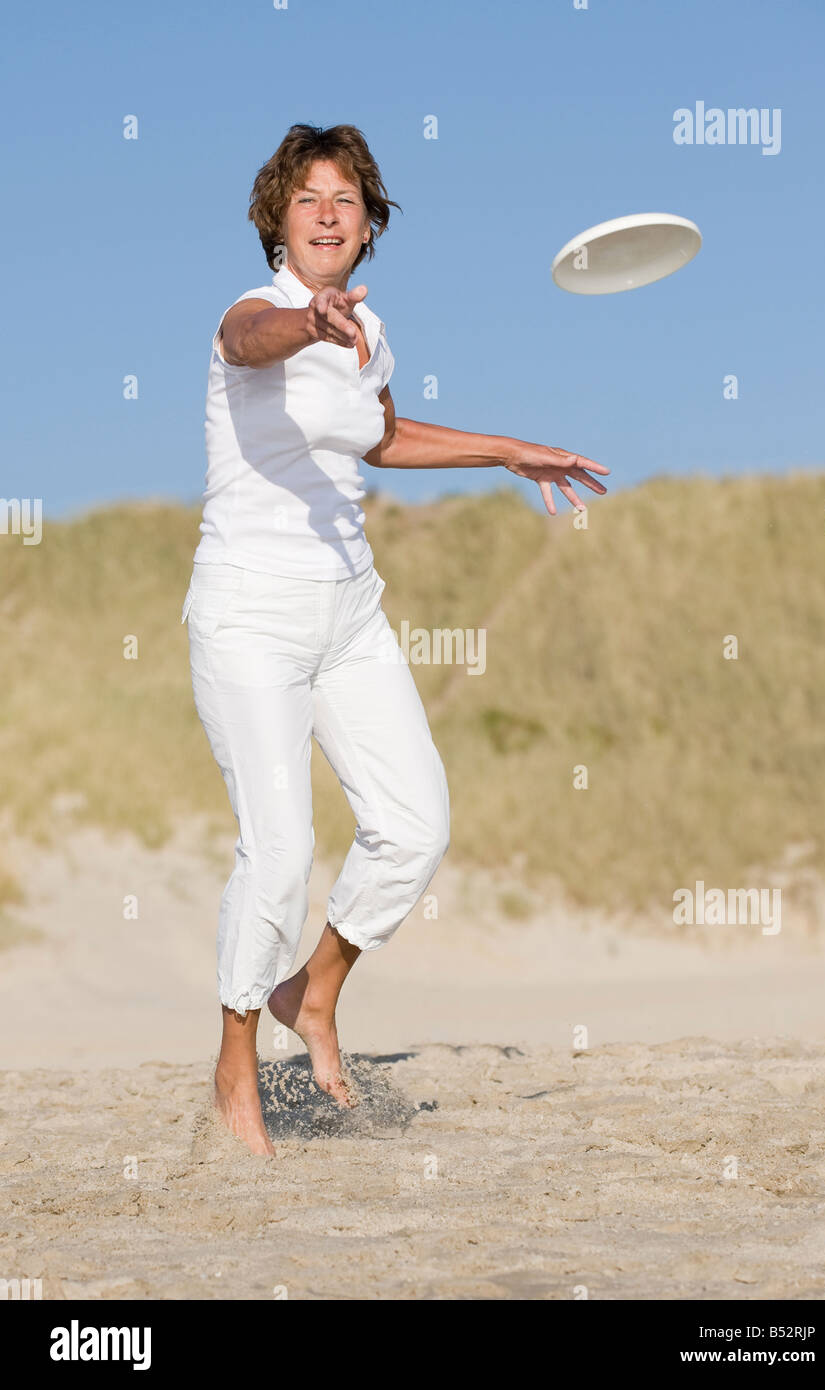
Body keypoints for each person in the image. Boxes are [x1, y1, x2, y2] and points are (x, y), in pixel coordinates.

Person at [181, 123, 609, 1157]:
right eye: (308, 198)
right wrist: (307, 320)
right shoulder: (257, 316)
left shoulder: (372, 332)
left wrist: (505, 448)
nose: (329, 213)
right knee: (279, 854)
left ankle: (311, 994)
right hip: (249, 611)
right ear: (277, 219)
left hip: (349, 609)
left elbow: (379, 435)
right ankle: (234, 1055)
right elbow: (252, 342)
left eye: (347, 200)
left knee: (414, 826)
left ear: (368, 225)